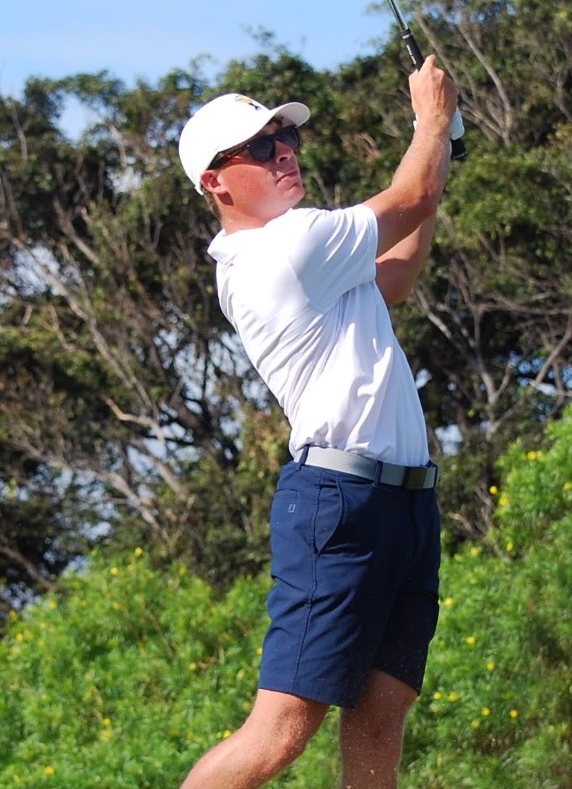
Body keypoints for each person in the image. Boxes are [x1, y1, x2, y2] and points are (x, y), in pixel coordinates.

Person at [174, 56, 459, 789]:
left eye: (285, 138)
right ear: (216, 181)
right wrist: (431, 121)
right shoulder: (283, 247)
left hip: (404, 503)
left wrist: (441, 147)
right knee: (281, 731)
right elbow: (411, 193)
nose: (284, 152)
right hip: (341, 505)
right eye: (262, 147)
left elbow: (395, 272)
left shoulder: (311, 253)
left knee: (379, 717)